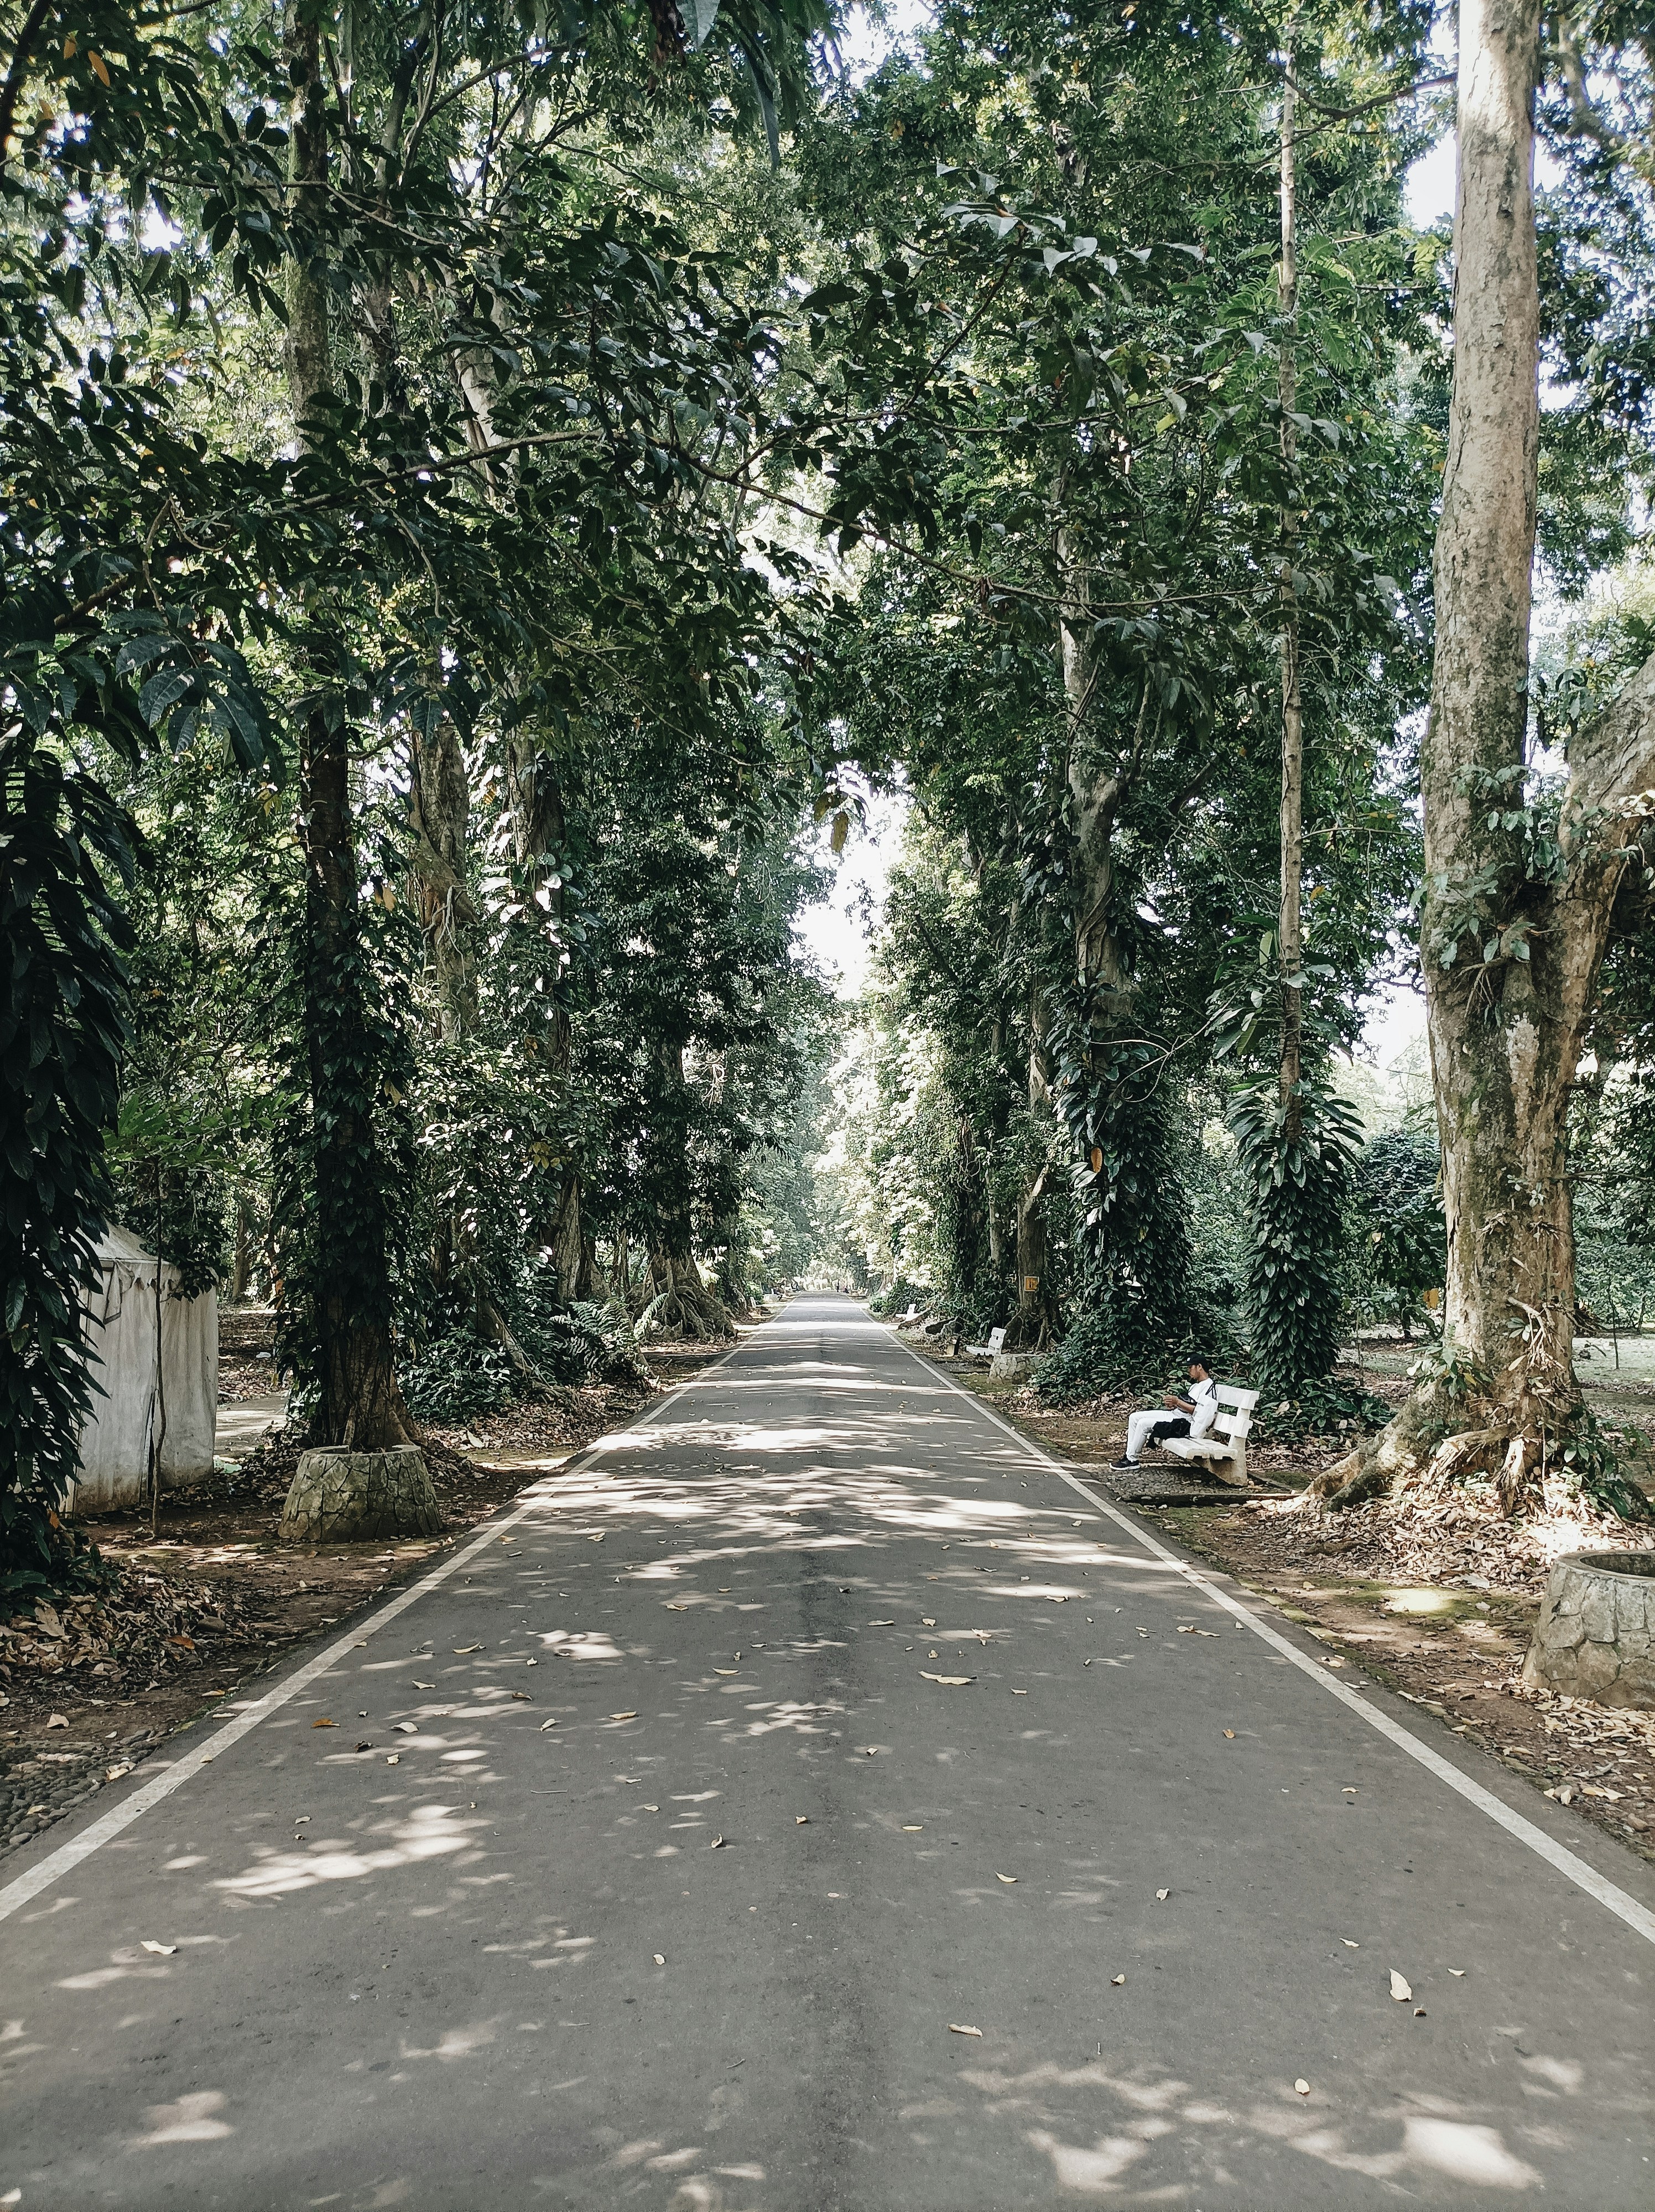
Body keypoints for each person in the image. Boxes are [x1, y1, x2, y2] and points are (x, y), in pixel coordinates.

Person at [1112, 1360, 1217, 1467]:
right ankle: (1128, 1456)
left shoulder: (1209, 1388)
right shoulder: (1195, 1386)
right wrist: (1175, 1405)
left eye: (1191, 1367)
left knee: (1143, 1424)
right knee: (1134, 1417)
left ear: (1199, 1367)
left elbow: (1200, 1412)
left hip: (1184, 1423)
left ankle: (1132, 1459)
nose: (1189, 1371)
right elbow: (1188, 1405)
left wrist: (1178, 1402)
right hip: (1176, 1414)